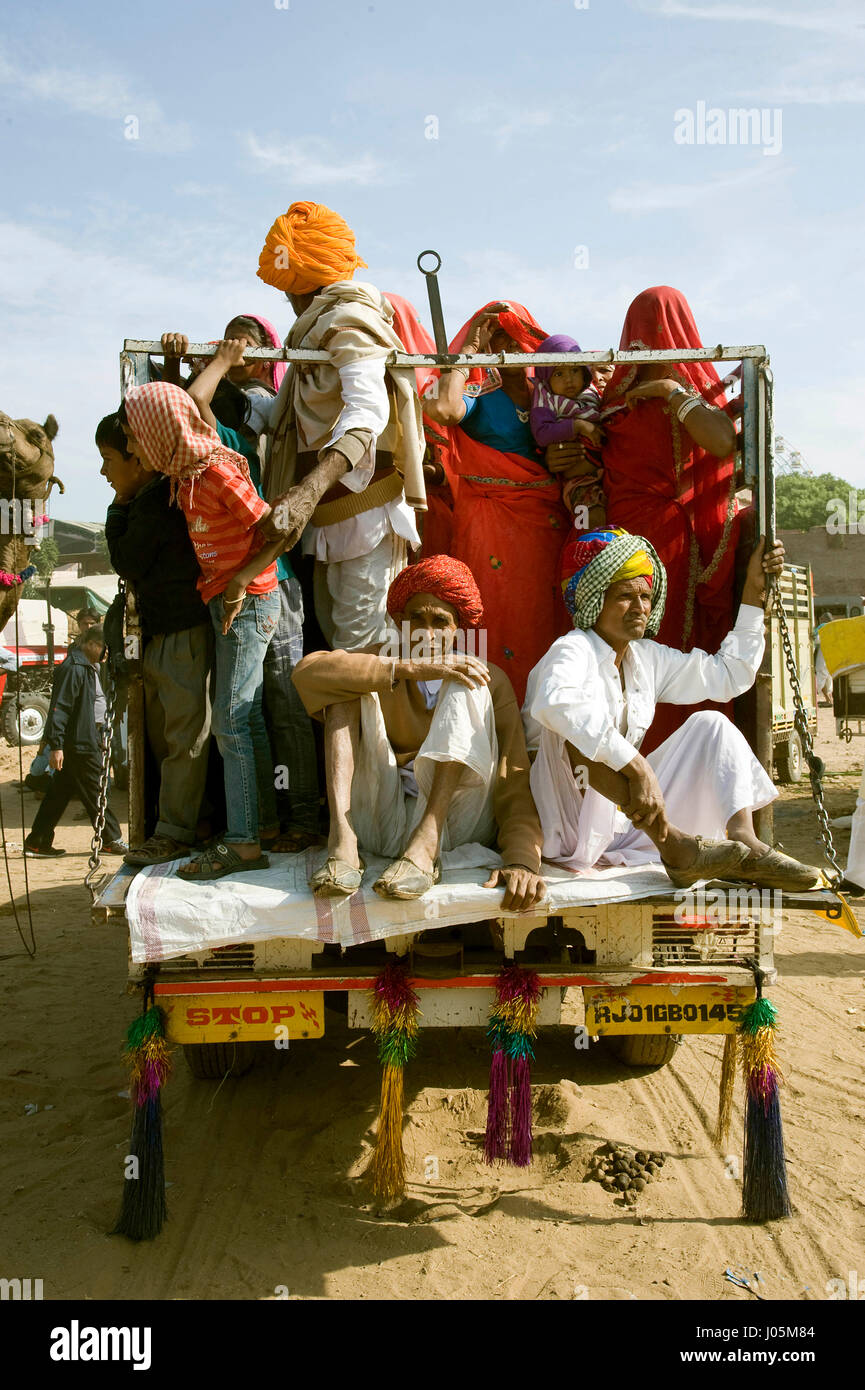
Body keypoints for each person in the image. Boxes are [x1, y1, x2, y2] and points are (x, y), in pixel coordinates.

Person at [523, 528, 821, 891]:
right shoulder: (572, 649)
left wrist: (753, 593)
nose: (640, 608)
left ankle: (744, 840)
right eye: (624, 596)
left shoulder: (646, 658)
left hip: (621, 824)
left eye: (645, 596)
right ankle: (673, 844)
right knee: (571, 734)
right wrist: (636, 766)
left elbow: (728, 675)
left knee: (711, 724)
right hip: (562, 824)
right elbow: (556, 704)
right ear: (594, 600)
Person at [292, 555, 545, 909]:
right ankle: (341, 843)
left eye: (440, 622)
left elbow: (512, 775)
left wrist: (520, 858)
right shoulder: (388, 659)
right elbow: (306, 673)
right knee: (344, 683)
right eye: (416, 619)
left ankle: (425, 844)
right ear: (399, 622)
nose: (426, 633)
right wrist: (407, 669)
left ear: (458, 628)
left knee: (468, 680)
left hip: (455, 828)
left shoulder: (492, 678)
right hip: (379, 824)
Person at [120, 381, 294, 880]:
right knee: (247, 718)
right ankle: (259, 829)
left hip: (248, 603)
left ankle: (242, 845)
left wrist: (240, 579)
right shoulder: (187, 473)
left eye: (135, 435)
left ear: (161, 432)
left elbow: (277, 529)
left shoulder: (215, 470)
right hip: (228, 602)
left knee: (231, 721)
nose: (133, 446)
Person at [556, 288, 741, 749]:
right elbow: (582, 464)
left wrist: (669, 391)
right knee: (618, 650)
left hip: (676, 546)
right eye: (639, 329)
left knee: (671, 645)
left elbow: (722, 444)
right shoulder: (611, 401)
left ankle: (689, 758)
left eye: (659, 327)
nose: (647, 340)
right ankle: (627, 763)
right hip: (618, 549)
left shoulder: (694, 392)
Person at [256, 200, 427, 651]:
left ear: (305, 284)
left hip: (364, 516)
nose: (288, 299)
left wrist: (308, 489)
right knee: (337, 661)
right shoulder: (311, 332)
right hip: (324, 521)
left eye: (290, 287)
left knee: (363, 661)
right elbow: (279, 420)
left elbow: (366, 412)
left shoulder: (350, 323)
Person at [184, 341, 320, 849]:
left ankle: (302, 818)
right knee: (255, 710)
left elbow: (198, 398)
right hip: (260, 585)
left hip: (273, 584)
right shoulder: (216, 449)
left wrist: (222, 360)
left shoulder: (229, 449)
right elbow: (198, 397)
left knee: (279, 703)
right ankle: (269, 819)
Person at [422, 302, 571, 702]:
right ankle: (491, 718)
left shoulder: (550, 389)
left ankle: (543, 727)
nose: (509, 346)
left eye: (516, 335)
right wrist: (468, 354)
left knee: (542, 618)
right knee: (494, 619)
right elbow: (441, 408)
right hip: (489, 524)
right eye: (497, 336)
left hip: (545, 524)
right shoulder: (480, 392)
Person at [97, 411, 214, 866]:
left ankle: (175, 832)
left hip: (183, 632)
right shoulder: (148, 497)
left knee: (184, 739)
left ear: (139, 460)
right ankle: (187, 823)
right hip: (164, 634)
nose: (104, 471)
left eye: (110, 459)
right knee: (172, 741)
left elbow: (126, 560)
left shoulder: (152, 503)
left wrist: (115, 511)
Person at [23, 626, 126, 858]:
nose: (106, 654)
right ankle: (111, 838)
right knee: (96, 789)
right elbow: (61, 707)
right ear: (90, 644)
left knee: (58, 794)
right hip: (78, 744)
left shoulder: (87, 667)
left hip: (80, 740)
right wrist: (56, 745)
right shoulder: (75, 668)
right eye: (103, 648)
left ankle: (37, 841)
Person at [529, 334, 605, 534]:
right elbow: (542, 434)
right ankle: (589, 548)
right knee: (589, 519)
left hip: (606, 474)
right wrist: (578, 426)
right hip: (578, 481)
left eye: (574, 370)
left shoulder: (593, 393)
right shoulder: (546, 400)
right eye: (559, 374)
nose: (569, 379)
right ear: (545, 376)